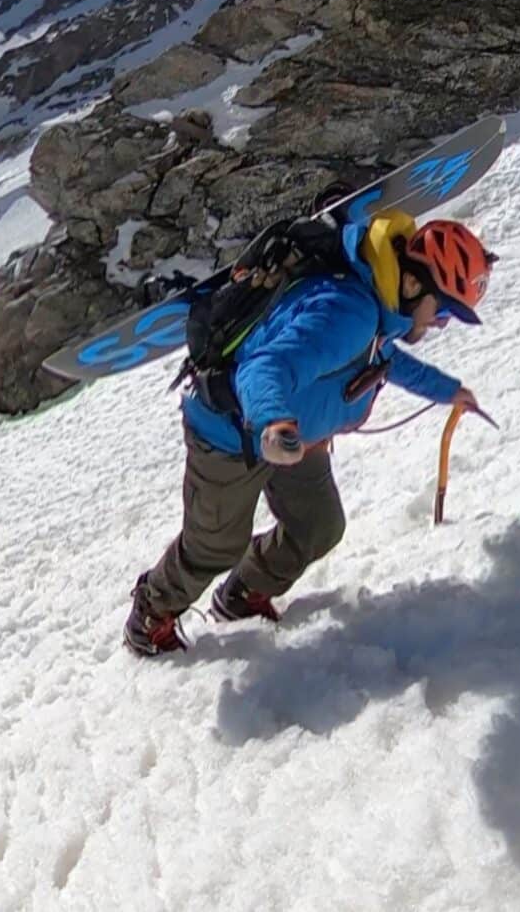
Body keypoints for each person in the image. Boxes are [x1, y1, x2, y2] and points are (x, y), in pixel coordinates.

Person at [125, 212, 494, 656]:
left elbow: (383, 359)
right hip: (233, 434)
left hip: (292, 433)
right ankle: (151, 613)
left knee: (318, 526)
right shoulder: (349, 313)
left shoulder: (378, 308)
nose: (439, 324)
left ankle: (241, 593)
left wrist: (448, 390)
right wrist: (274, 423)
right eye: (444, 312)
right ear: (415, 285)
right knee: (215, 546)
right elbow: (263, 369)